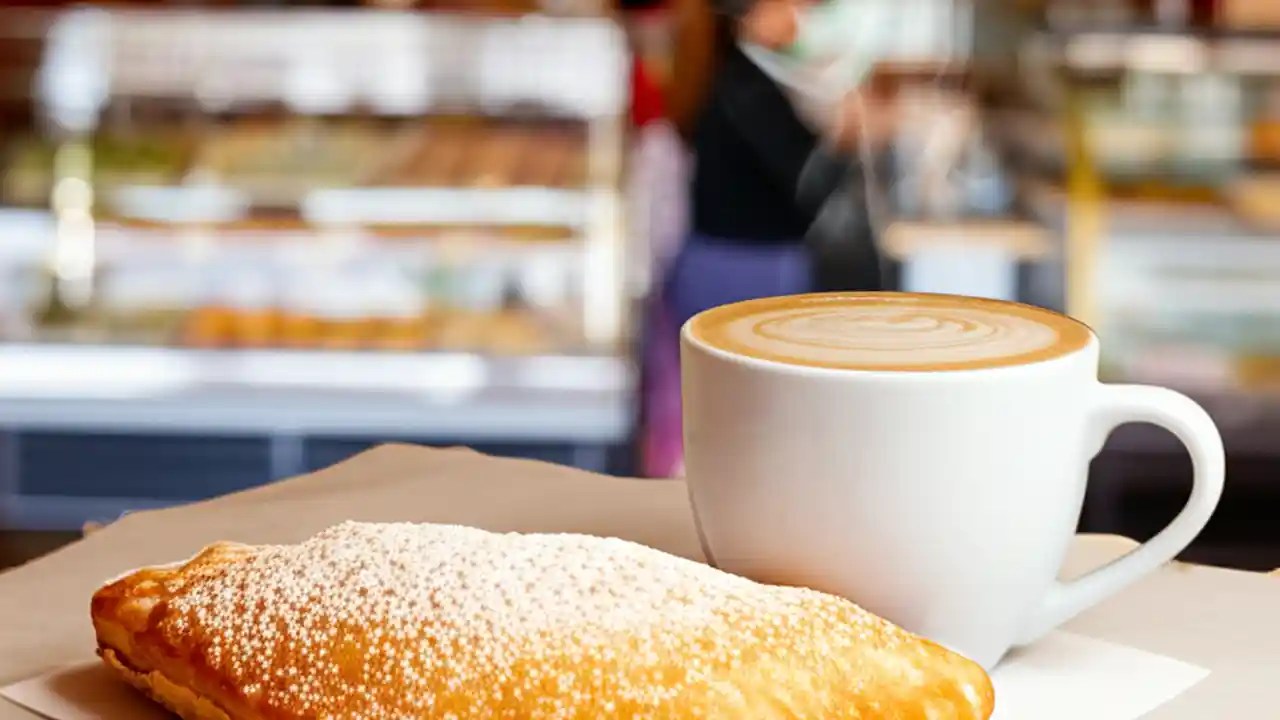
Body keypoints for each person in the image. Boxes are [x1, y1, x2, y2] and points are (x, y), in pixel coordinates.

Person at [640, 0, 897, 476]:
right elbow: (803, 184)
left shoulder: (721, 76)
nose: (805, 18)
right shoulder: (746, 85)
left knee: (727, 428)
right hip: (748, 270)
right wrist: (847, 136)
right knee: (759, 435)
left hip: (719, 262)